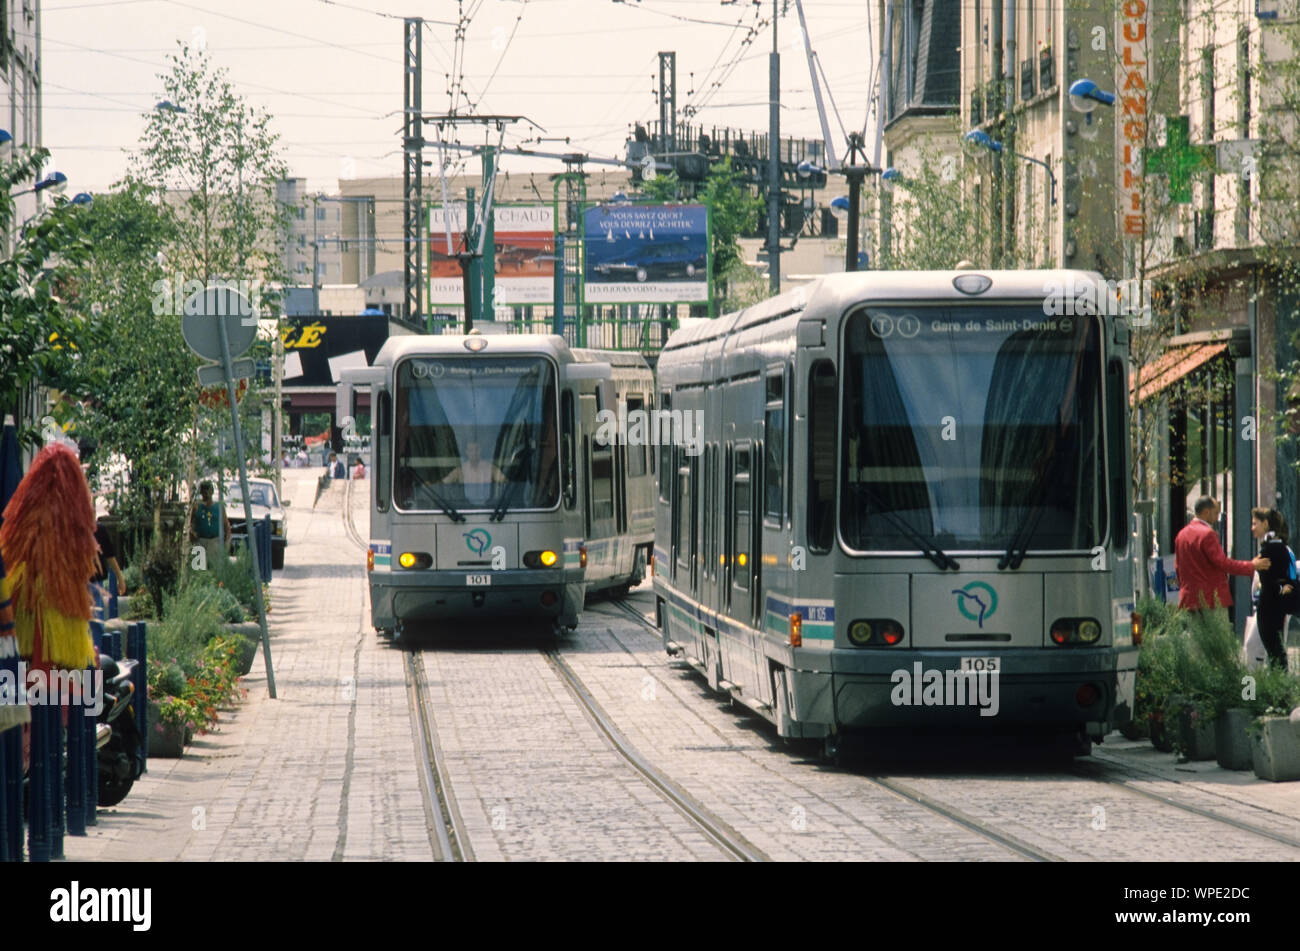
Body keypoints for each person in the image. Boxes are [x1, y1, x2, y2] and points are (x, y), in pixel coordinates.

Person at [1174, 496, 1269, 620]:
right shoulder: (1207, 534)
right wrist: (1251, 565)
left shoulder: (1182, 535)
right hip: (1211, 599)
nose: (1217, 517)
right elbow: (1222, 563)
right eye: (1215, 513)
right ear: (1206, 512)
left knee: (1195, 638)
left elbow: (1178, 567)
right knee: (1219, 637)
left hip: (1189, 599)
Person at [1251, 507, 1296, 670]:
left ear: (1266, 524)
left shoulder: (1271, 549)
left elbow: (1274, 579)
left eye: (1255, 523)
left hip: (1269, 605)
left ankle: (1256, 691)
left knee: (1273, 650)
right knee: (1275, 650)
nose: (1252, 528)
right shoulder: (1280, 548)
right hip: (1276, 605)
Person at [442, 440, 505, 505]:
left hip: (487, 507)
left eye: (477, 449)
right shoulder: (460, 470)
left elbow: (505, 481)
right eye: (471, 450)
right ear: (467, 452)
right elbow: (443, 483)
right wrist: (431, 485)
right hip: (466, 507)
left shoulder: (491, 468)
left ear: (481, 451)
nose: (474, 453)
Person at [190, 481, 231, 570]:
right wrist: (192, 533)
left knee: (214, 569)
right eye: (204, 491)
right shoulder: (196, 506)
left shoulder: (219, 507)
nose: (206, 494)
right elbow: (189, 523)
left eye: (208, 490)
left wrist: (227, 542)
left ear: (212, 491)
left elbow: (226, 525)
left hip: (215, 541)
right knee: (198, 569)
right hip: (200, 541)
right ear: (201, 492)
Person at [91, 517, 126, 596]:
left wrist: (120, 578)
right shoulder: (99, 529)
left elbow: (110, 555)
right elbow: (110, 556)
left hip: (92, 582)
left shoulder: (99, 529)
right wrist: (120, 578)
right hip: (93, 582)